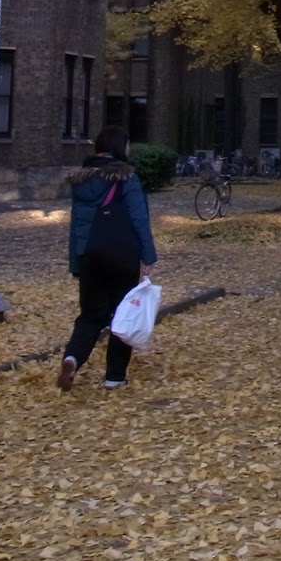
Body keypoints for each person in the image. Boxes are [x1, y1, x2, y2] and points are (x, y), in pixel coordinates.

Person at [59, 125, 157, 391]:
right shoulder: (127, 179)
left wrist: (76, 262)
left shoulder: (81, 182)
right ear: (119, 147)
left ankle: (72, 358)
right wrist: (149, 256)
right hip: (122, 255)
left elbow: (77, 226)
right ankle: (114, 376)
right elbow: (139, 219)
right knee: (122, 315)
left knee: (90, 316)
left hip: (90, 255)